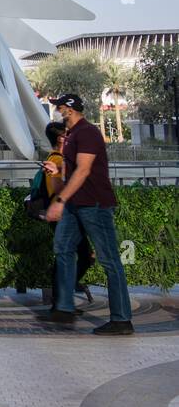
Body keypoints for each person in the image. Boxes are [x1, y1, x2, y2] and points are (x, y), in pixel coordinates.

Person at [43, 94, 132, 334]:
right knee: (62, 248)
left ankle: (122, 319)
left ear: (70, 110)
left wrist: (59, 201)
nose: (58, 111)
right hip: (75, 204)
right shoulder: (71, 136)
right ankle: (64, 308)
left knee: (109, 259)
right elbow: (71, 172)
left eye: (60, 107)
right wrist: (56, 170)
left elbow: (83, 171)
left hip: (94, 204)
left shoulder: (88, 133)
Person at [39, 121, 94, 310]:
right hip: (63, 214)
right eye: (68, 134)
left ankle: (62, 296)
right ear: (61, 138)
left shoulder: (59, 159)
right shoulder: (56, 161)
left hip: (65, 214)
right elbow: (58, 190)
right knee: (79, 256)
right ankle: (61, 297)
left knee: (74, 256)